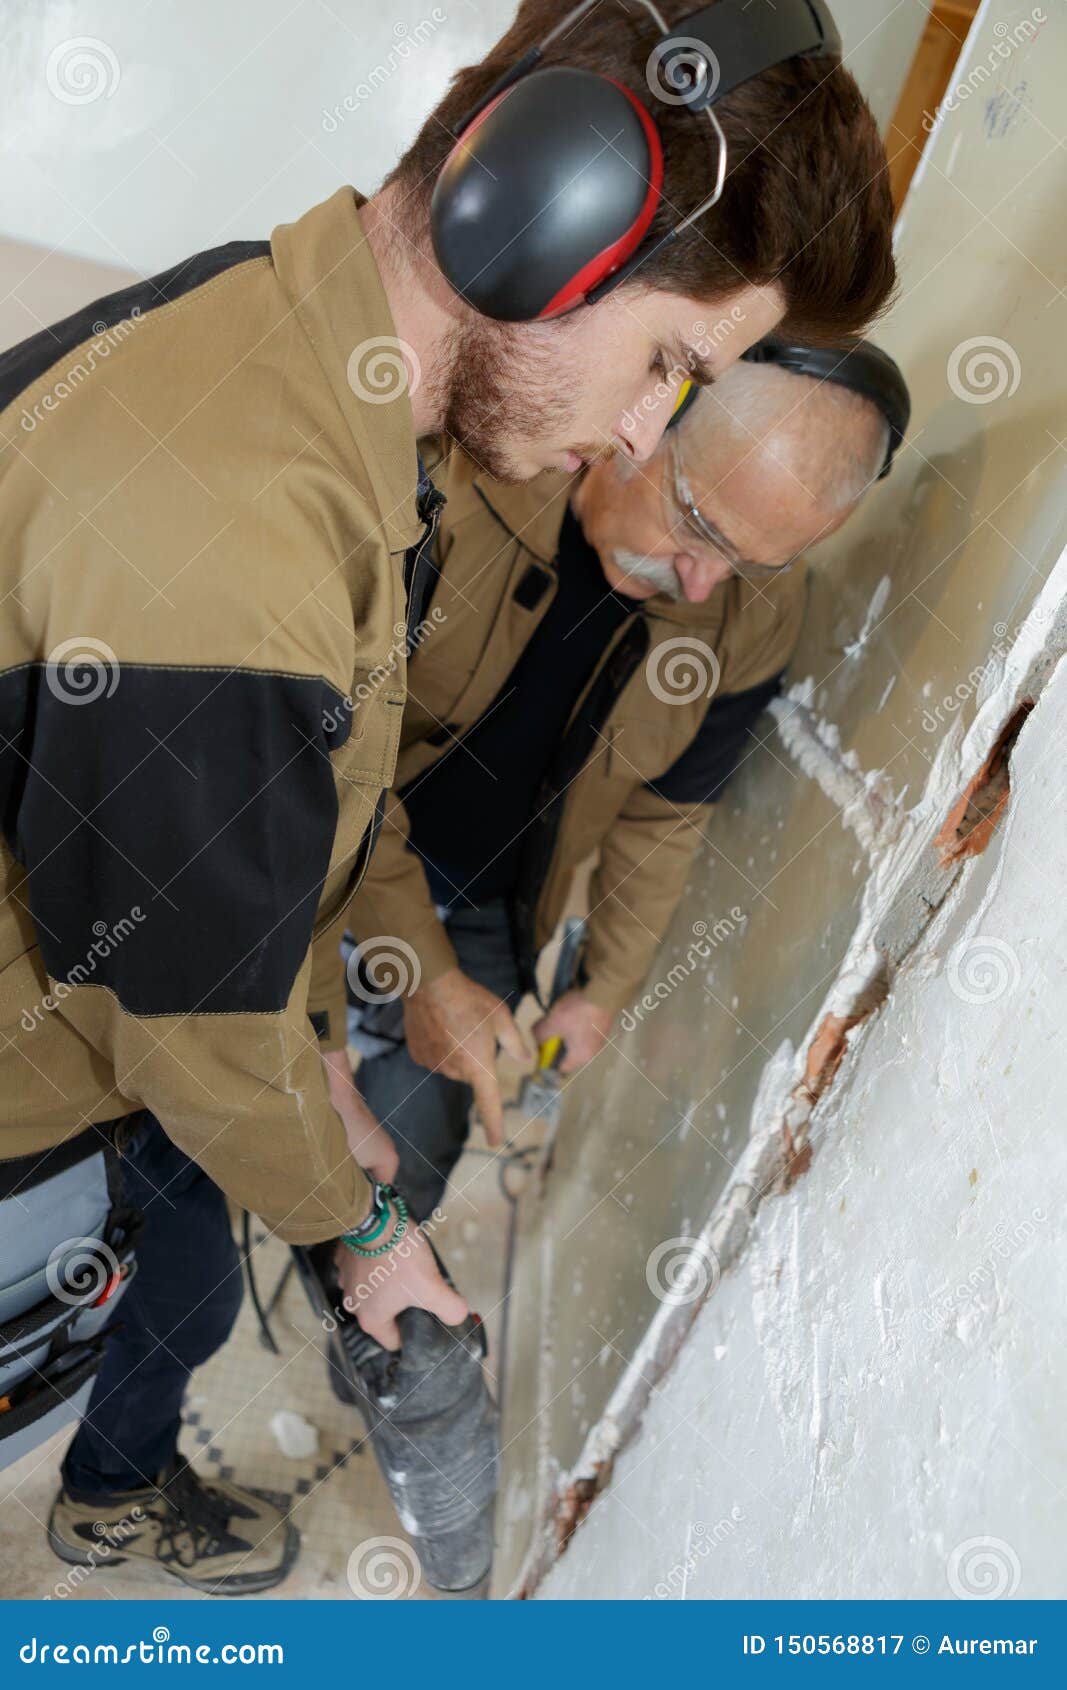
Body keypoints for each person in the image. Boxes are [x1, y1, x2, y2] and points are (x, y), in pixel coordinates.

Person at [0, 0, 895, 1593]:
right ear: (529, 206)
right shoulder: (249, 528)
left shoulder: (308, 390)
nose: (639, 423)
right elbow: (193, 1008)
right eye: (669, 365)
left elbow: (231, 911)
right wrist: (364, 1231)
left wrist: (351, 1143)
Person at [346, 341, 908, 1219]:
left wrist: (599, 995)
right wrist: (416, 966)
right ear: (645, 420)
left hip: (484, 906)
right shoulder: (461, 472)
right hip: (313, 846)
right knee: (199, 1119)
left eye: (753, 562)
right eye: (699, 528)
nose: (700, 584)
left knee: (396, 1178)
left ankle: (370, 1312)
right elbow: (319, 757)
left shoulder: (750, 611)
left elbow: (663, 818)